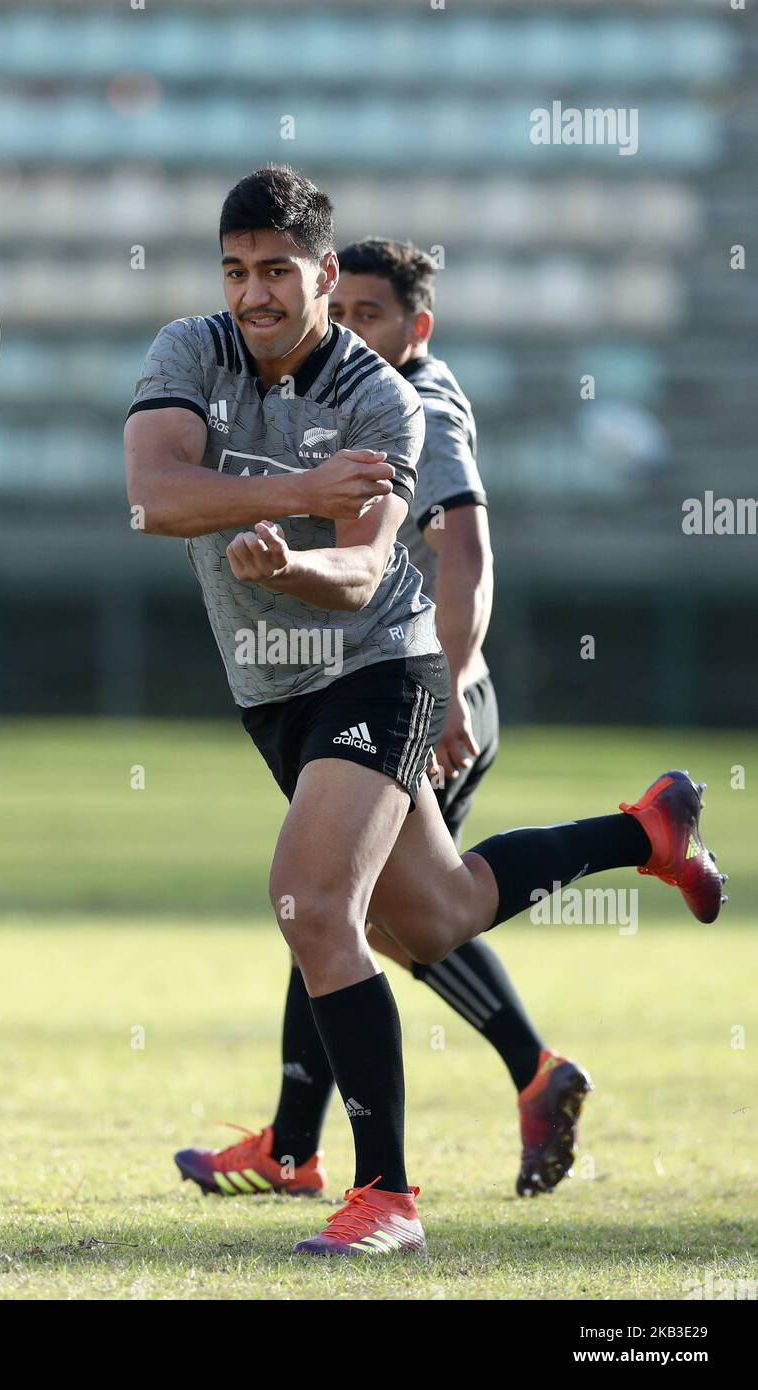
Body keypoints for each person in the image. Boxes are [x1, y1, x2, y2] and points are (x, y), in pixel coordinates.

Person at [125, 166, 725, 1258]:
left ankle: (385, 1194)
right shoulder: (189, 350)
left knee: (312, 906)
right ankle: (644, 833)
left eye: (278, 273)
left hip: (380, 668)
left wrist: (299, 559)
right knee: (439, 915)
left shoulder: (383, 398)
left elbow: (361, 576)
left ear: (321, 271)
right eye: (236, 270)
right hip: (272, 691)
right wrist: (294, 501)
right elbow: (155, 497)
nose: (254, 294)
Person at [176, 236, 590, 1204]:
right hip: (385, 676)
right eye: (346, 309)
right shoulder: (340, 395)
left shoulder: (424, 408)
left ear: (418, 327)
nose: (353, 328)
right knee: (369, 905)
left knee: (345, 903)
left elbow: (467, 558)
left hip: (432, 687)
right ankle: (305, 1136)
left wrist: (449, 684)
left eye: (373, 314)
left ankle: (318, 1147)